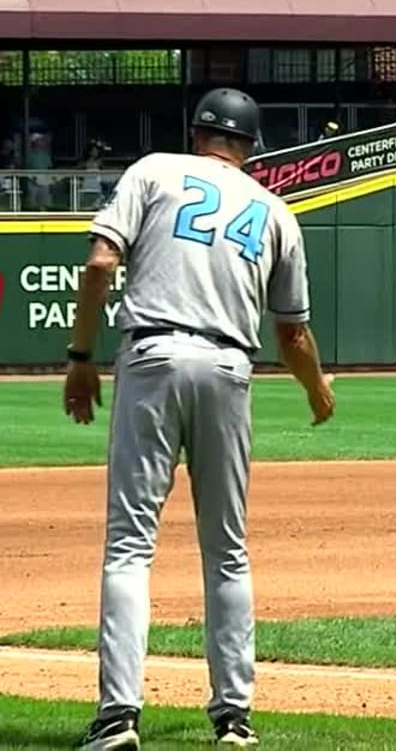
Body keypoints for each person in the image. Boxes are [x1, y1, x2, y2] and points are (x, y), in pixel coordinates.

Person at [63, 88, 335, 749]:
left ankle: (118, 717)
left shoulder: (154, 170)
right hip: (227, 369)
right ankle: (234, 719)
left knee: (130, 545)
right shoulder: (274, 210)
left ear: (198, 134)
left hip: (152, 355)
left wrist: (79, 356)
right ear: (251, 147)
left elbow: (101, 262)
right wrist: (316, 390)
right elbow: (292, 333)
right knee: (227, 551)